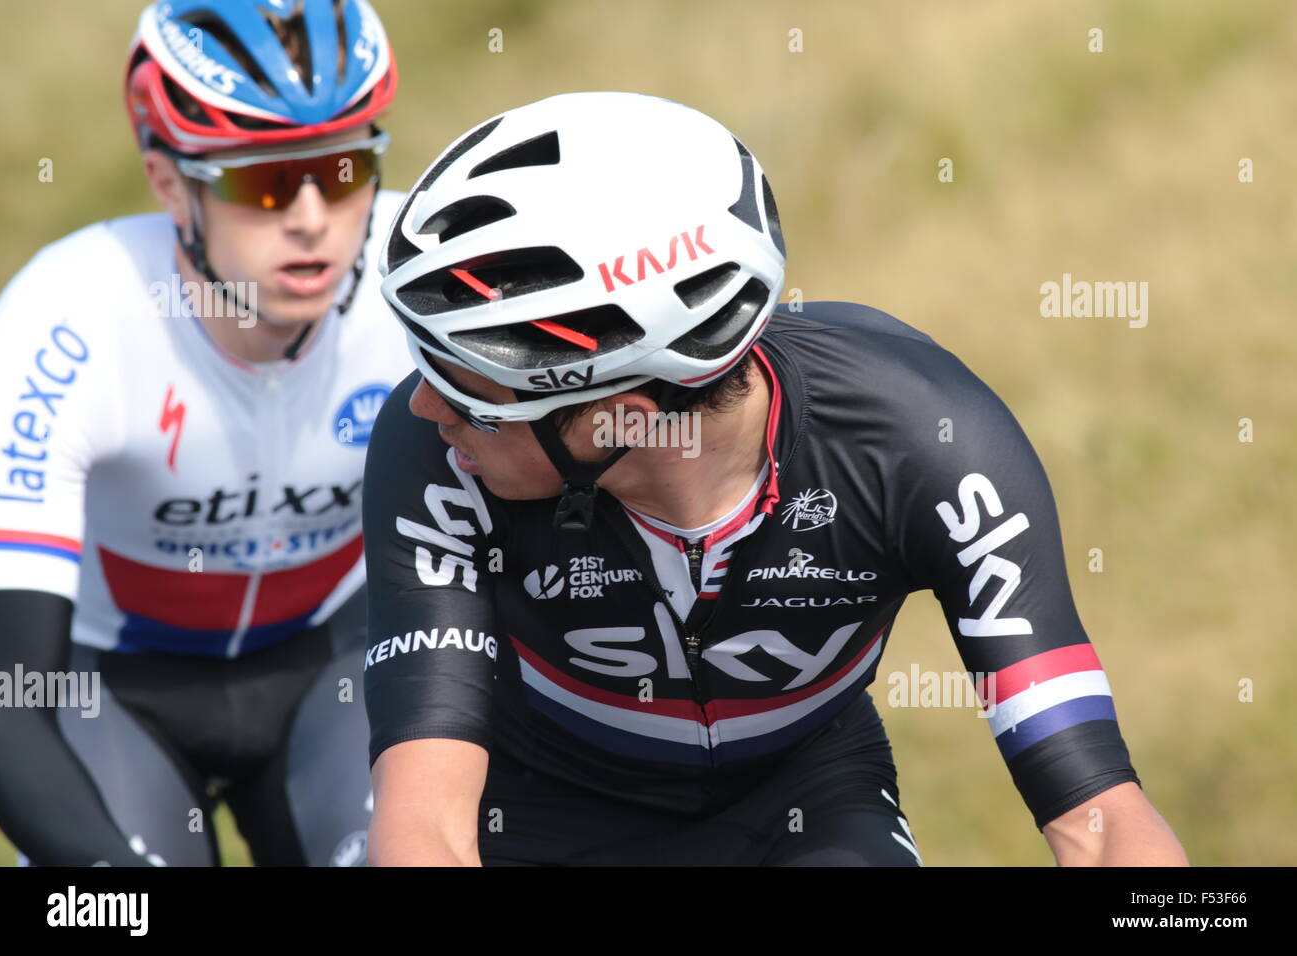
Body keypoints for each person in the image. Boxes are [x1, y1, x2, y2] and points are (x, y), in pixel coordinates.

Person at [361, 91, 1189, 866]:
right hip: (537, 807)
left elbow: (1101, 819)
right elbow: (424, 821)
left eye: (474, 386)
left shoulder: (923, 443)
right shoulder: (433, 453)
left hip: (804, 801)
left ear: (627, 412)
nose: (430, 405)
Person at [0, 0, 406, 866]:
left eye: (341, 169)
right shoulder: (68, 319)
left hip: (337, 665)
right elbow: (8, 702)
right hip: (110, 692)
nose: (309, 217)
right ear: (168, 181)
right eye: (261, 181)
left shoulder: (420, 287)